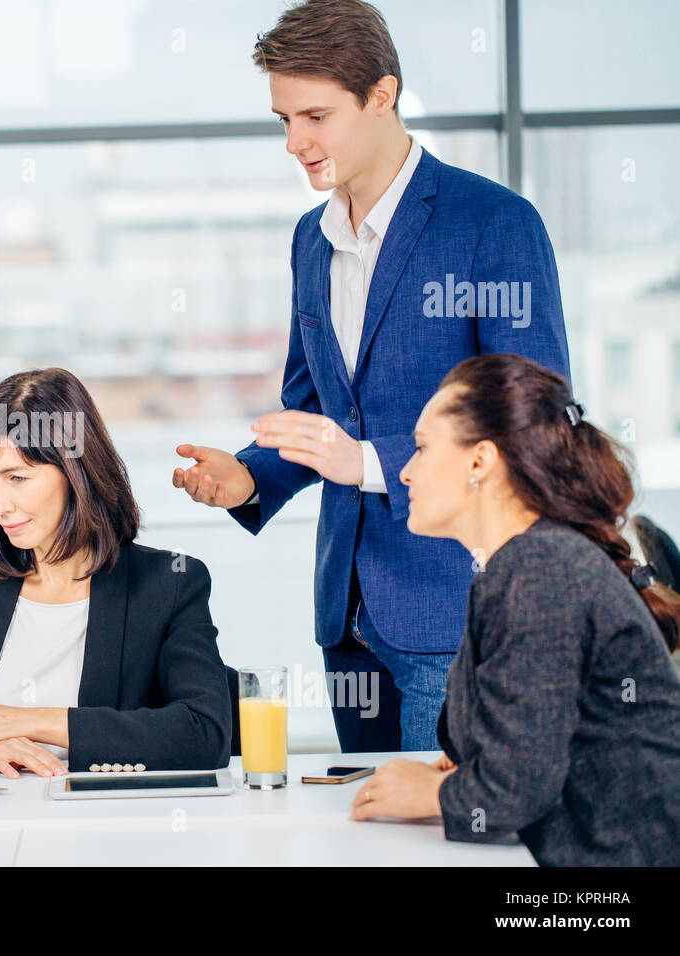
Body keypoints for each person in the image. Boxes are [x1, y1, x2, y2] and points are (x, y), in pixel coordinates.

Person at [172, 0, 571, 753]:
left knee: (448, 838)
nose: (295, 143)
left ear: (382, 95)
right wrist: (250, 479)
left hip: (455, 613)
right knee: (371, 834)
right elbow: (317, 411)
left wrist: (370, 461)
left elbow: (537, 425)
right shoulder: (311, 241)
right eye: (283, 120)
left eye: (315, 116)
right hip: (348, 617)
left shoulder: (492, 224)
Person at [349, 353, 680, 866]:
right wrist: (472, 776)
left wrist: (429, 795)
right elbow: (519, 756)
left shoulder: (540, 569)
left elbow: (512, 792)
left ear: (480, 461)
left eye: (420, 449)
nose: (406, 473)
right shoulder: (525, 564)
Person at [0, 368, 231, 778]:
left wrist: (26, 720)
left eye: (17, 478)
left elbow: (204, 733)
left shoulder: (168, 585)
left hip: (105, 828)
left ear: (78, 474)